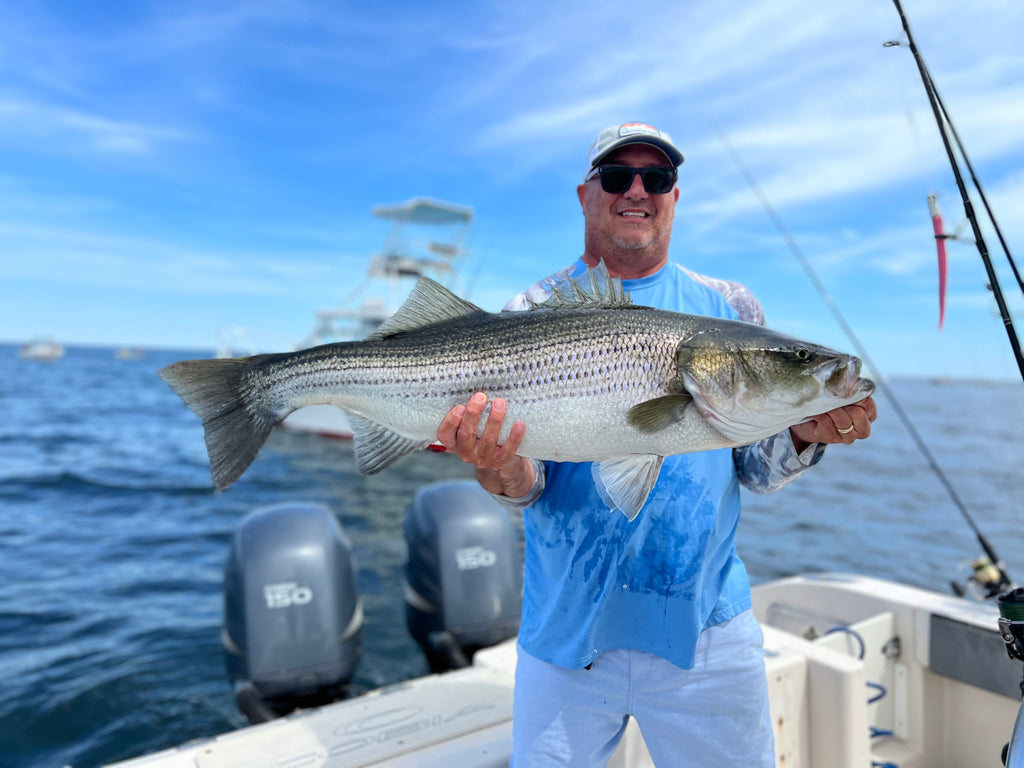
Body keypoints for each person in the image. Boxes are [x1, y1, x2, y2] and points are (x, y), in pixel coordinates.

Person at [435, 122, 877, 767]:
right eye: (618, 176)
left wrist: (802, 433)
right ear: (586, 195)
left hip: (707, 630)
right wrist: (496, 466)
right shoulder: (531, 308)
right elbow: (528, 487)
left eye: (658, 177)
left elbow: (754, 470)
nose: (637, 190)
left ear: (675, 195)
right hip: (565, 634)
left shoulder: (730, 308)